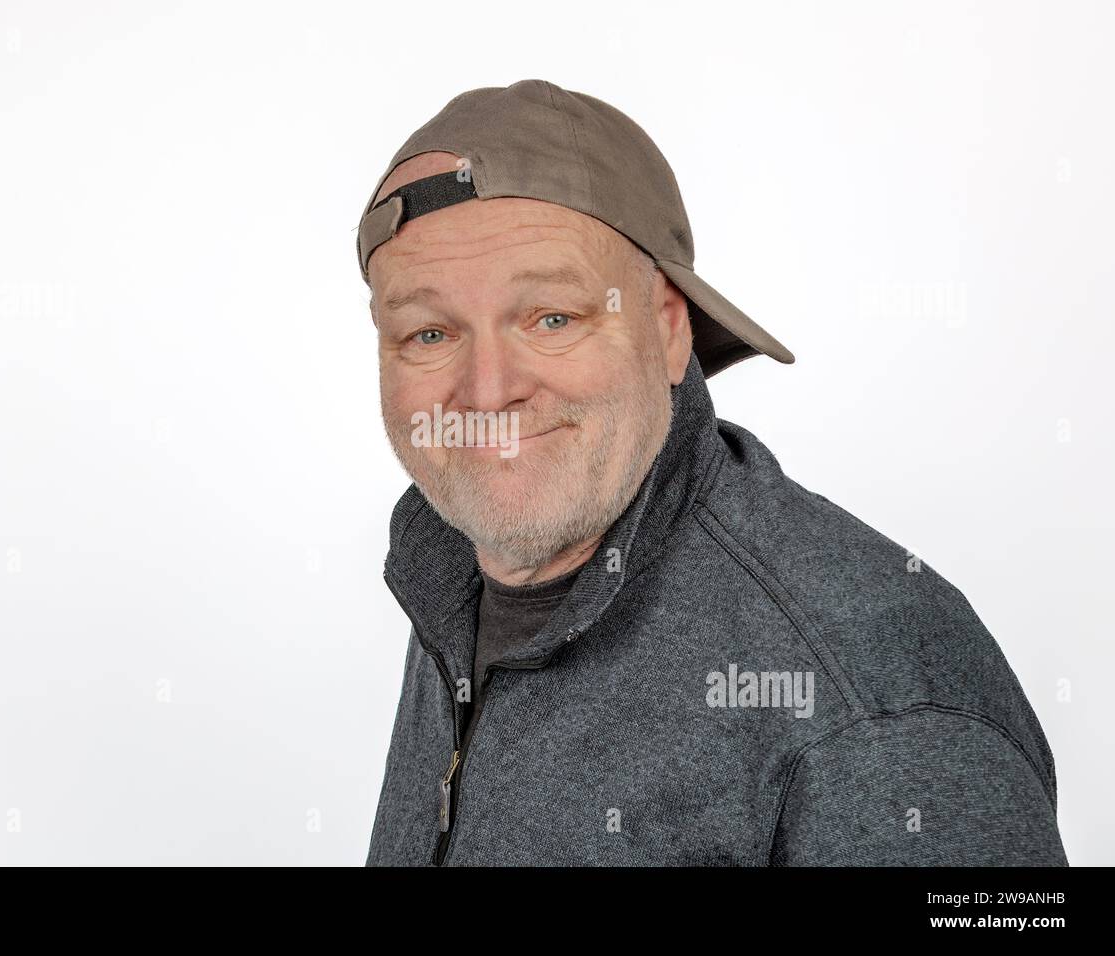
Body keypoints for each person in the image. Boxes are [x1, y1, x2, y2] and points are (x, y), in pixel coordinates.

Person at [355, 79, 1067, 866]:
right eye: (427, 333)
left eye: (552, 317)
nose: (487, 391)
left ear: (666, 331)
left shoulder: (875, 698)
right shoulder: (460, 571)